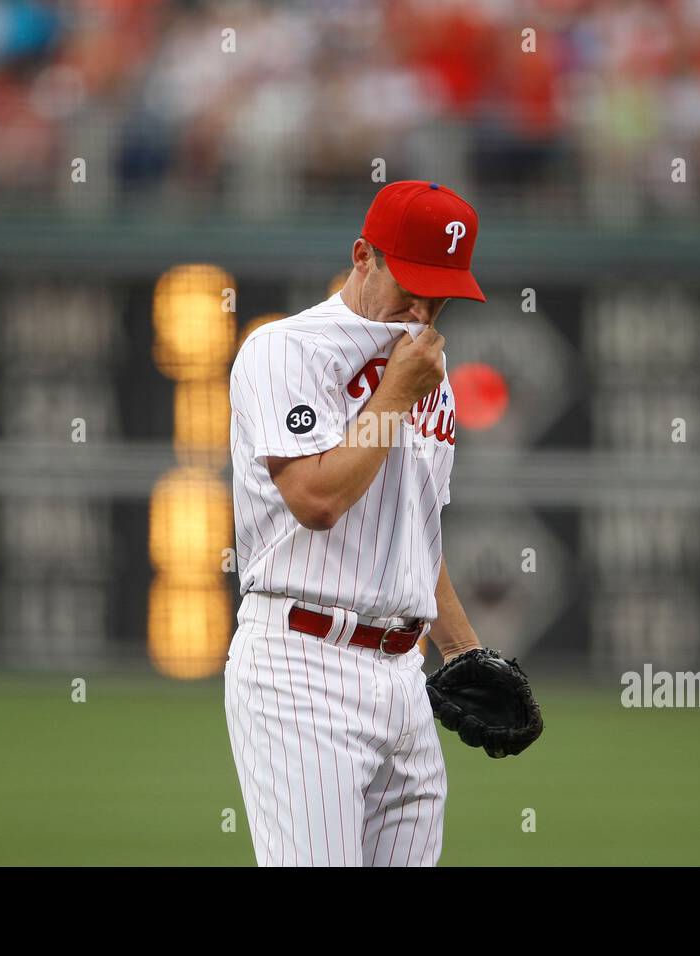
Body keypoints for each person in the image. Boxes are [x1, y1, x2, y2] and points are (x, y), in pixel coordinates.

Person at [224, 180, 487, 866]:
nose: (424, 305)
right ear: (362, 256)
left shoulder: (426, 363)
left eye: (443, 288)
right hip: (303, 667)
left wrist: (460, 648)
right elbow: (316, 500)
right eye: (413, 282)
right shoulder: (284, 351)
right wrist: (397, 392)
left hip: (403, 679)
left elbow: (414, 531)